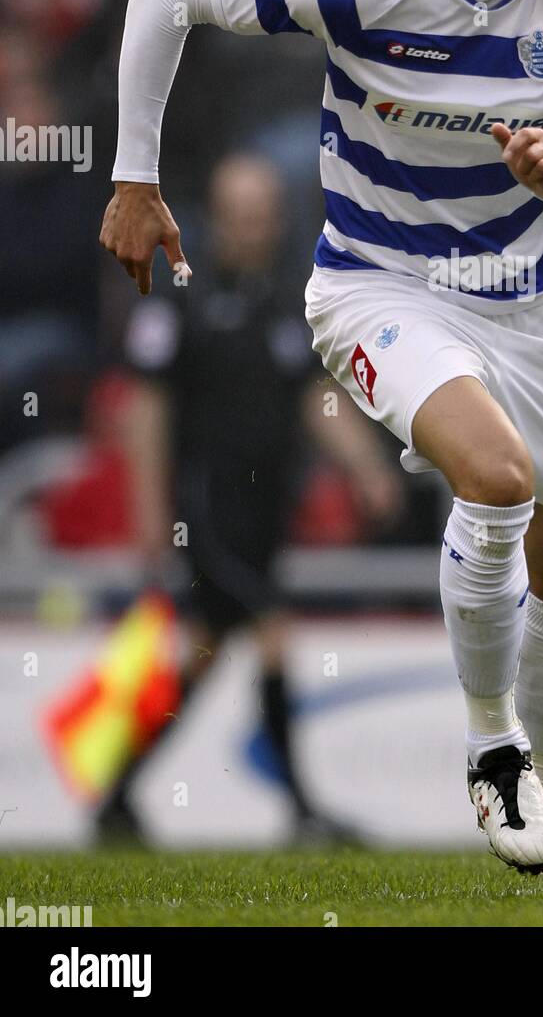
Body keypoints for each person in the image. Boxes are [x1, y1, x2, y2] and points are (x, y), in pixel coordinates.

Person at [99, 0, 543, 892]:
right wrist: (134, 174)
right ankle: (490, 750)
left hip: (535, 298)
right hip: (382, 283)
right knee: (496, 478)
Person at [98, 153, 403, 845]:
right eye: (240, 217)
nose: (253, 230)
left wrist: (366, 468)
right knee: (271, 633)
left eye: (263, 216)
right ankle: (301, 810)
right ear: (215, 218)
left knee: (202, 652)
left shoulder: (287, 297)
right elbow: (144, 407)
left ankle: (115, 797)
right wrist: (149, 513)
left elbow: (312, 396)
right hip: (207, 508)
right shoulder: (177, 296)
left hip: (266, 507)